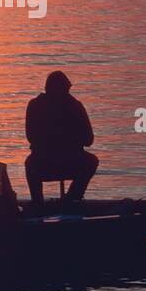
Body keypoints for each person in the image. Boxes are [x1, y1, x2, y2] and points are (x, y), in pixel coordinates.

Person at [24, 70, 99, 205]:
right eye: (66, 90)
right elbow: (88, 140)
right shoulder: (74, 106)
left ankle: (40, 203)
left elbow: (30, 137)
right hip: (66, 162)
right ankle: (71, 200)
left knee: (30, 164)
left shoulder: (35, 105)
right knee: (91, 161)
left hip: (45, 162)